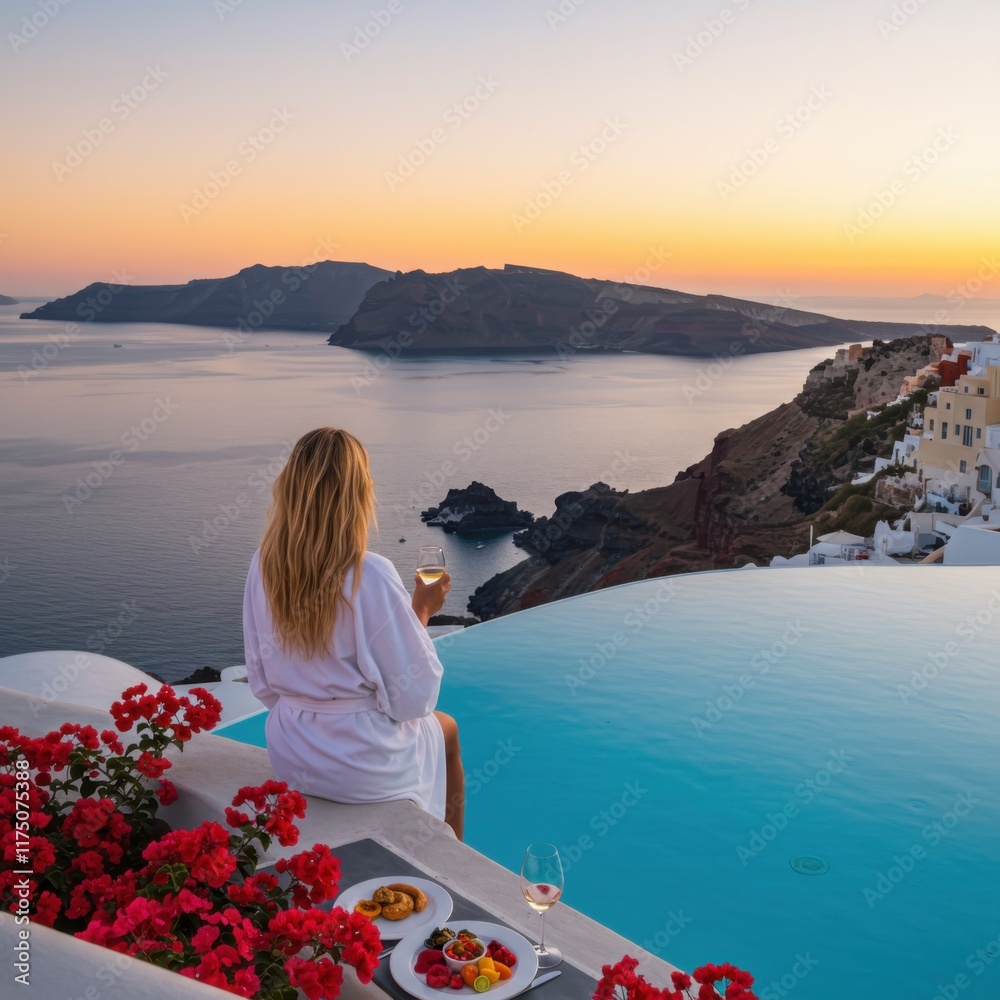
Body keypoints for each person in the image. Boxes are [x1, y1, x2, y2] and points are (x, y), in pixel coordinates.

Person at [242, 427, 465, 839]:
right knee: (447, 730)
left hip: (292, 750)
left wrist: (311, 705)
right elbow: (414, 699)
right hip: (364, 765)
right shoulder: (370, 572)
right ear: (357, 494)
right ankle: (451, 860)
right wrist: (421, 609)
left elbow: (262, 680)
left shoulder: (264, 564)